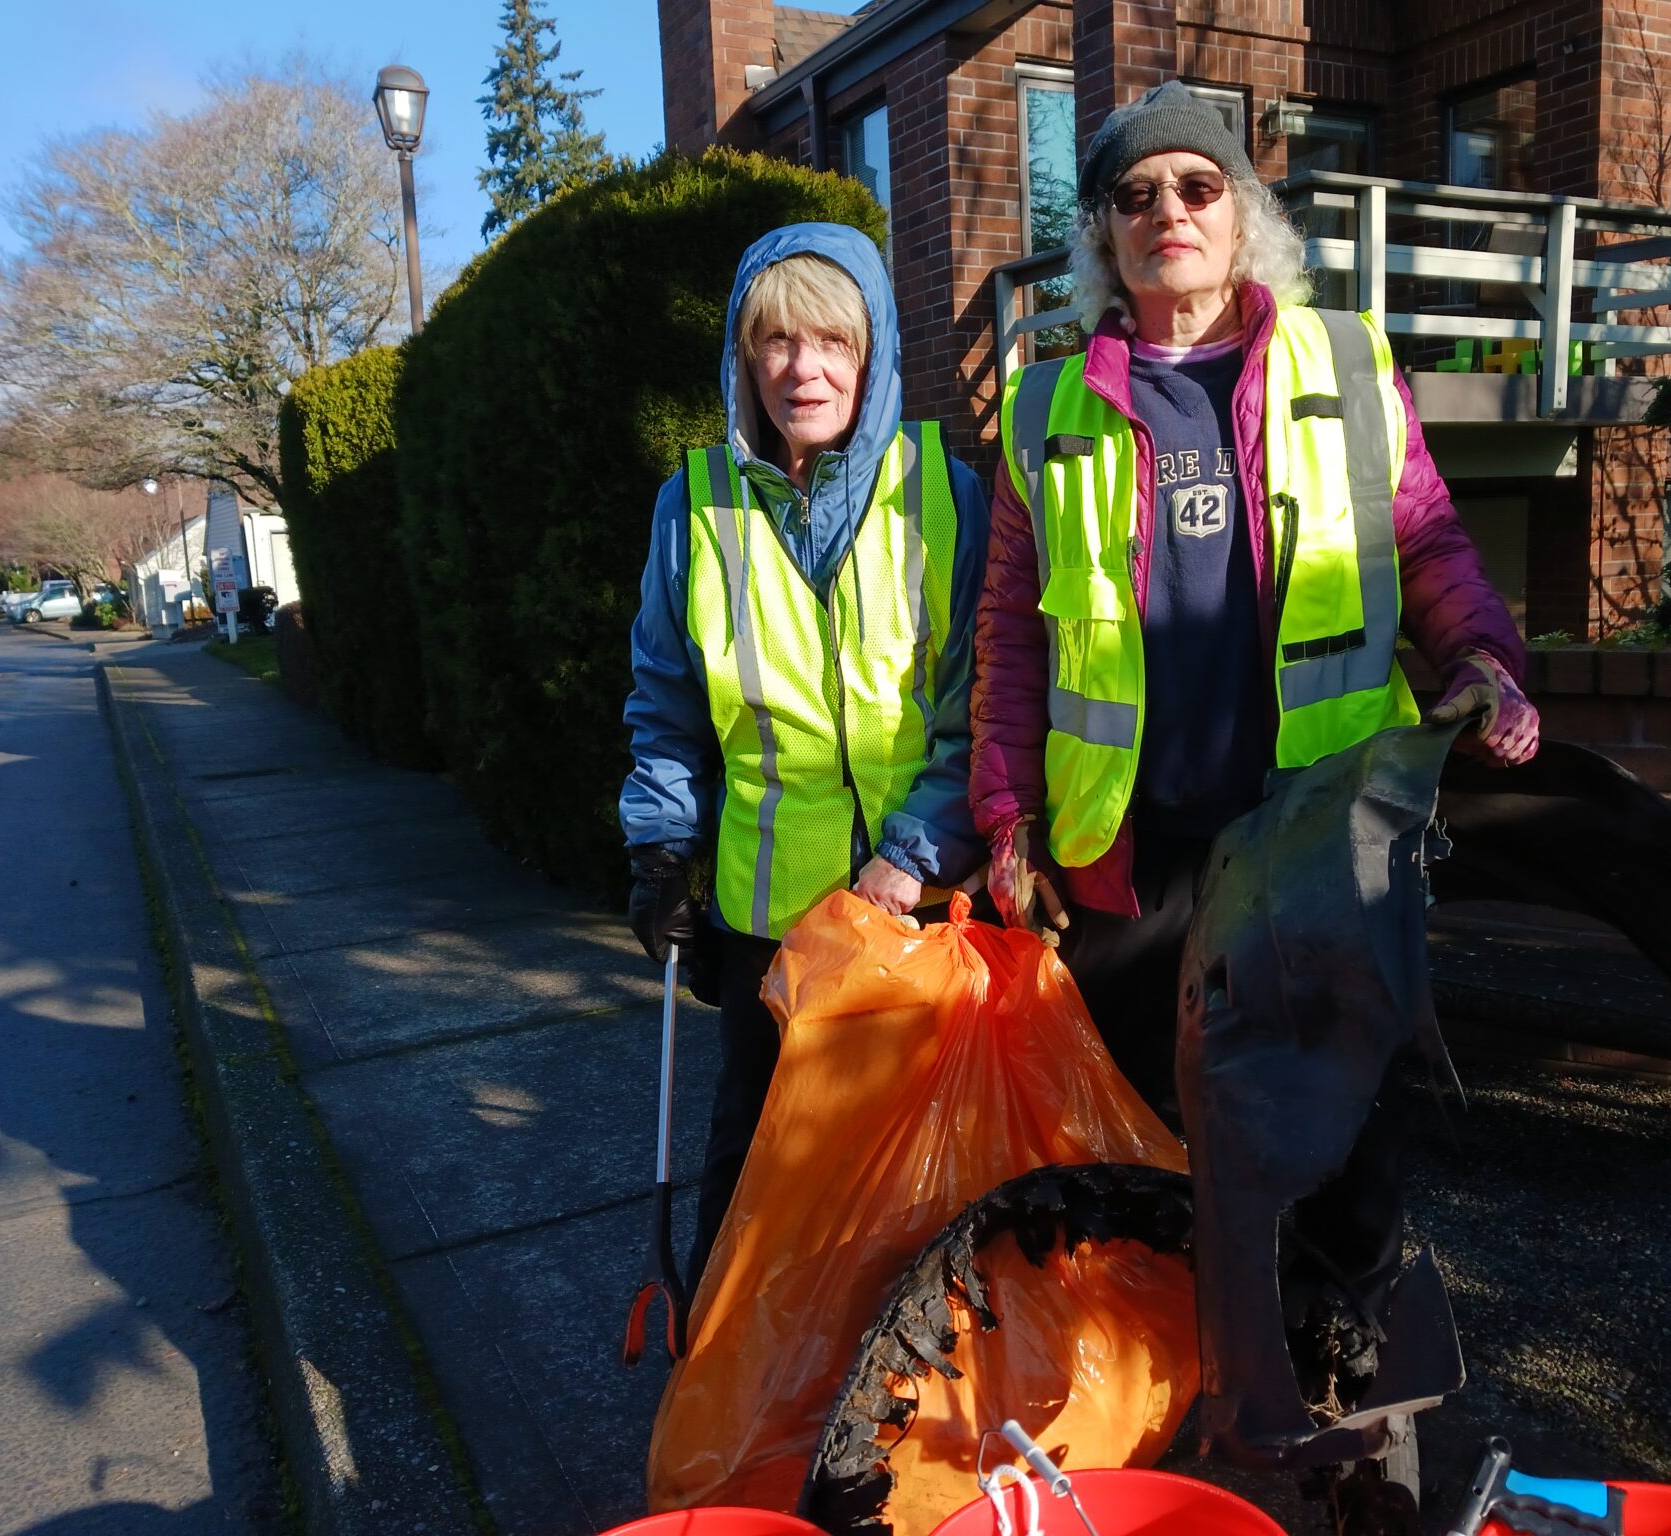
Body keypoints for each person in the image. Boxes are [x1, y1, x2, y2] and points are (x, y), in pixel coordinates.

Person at [968, 84, 1536, 1518]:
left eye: (1197, 188)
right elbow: (1012, 642)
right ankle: (1188, 1450)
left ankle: (1360, 1438)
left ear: (1243, 213)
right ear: (1105, 233)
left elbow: (1432, 546)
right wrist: (1007, 824)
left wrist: (1484, 659)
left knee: (1350, 1157)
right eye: (1137, 194)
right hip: (1134, 862)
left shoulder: (1344, 366)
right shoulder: (1045, 409)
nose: (1170, 214)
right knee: (1163, 1163)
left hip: (1324, 851)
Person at [621, 223, 988, 1286]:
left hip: (914, 919)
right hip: (765, 928)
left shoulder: (945, 496)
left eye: (829, 340)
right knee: (751, 1185)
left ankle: (893, 1411)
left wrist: (913, 853)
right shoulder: (691, 506)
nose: (802, 369)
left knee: (915, 1186)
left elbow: (979, 711)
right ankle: (730, 1407)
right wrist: (658, 852)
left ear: (869, 354)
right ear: (743, 356)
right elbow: (667, 706)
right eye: (774, 342)